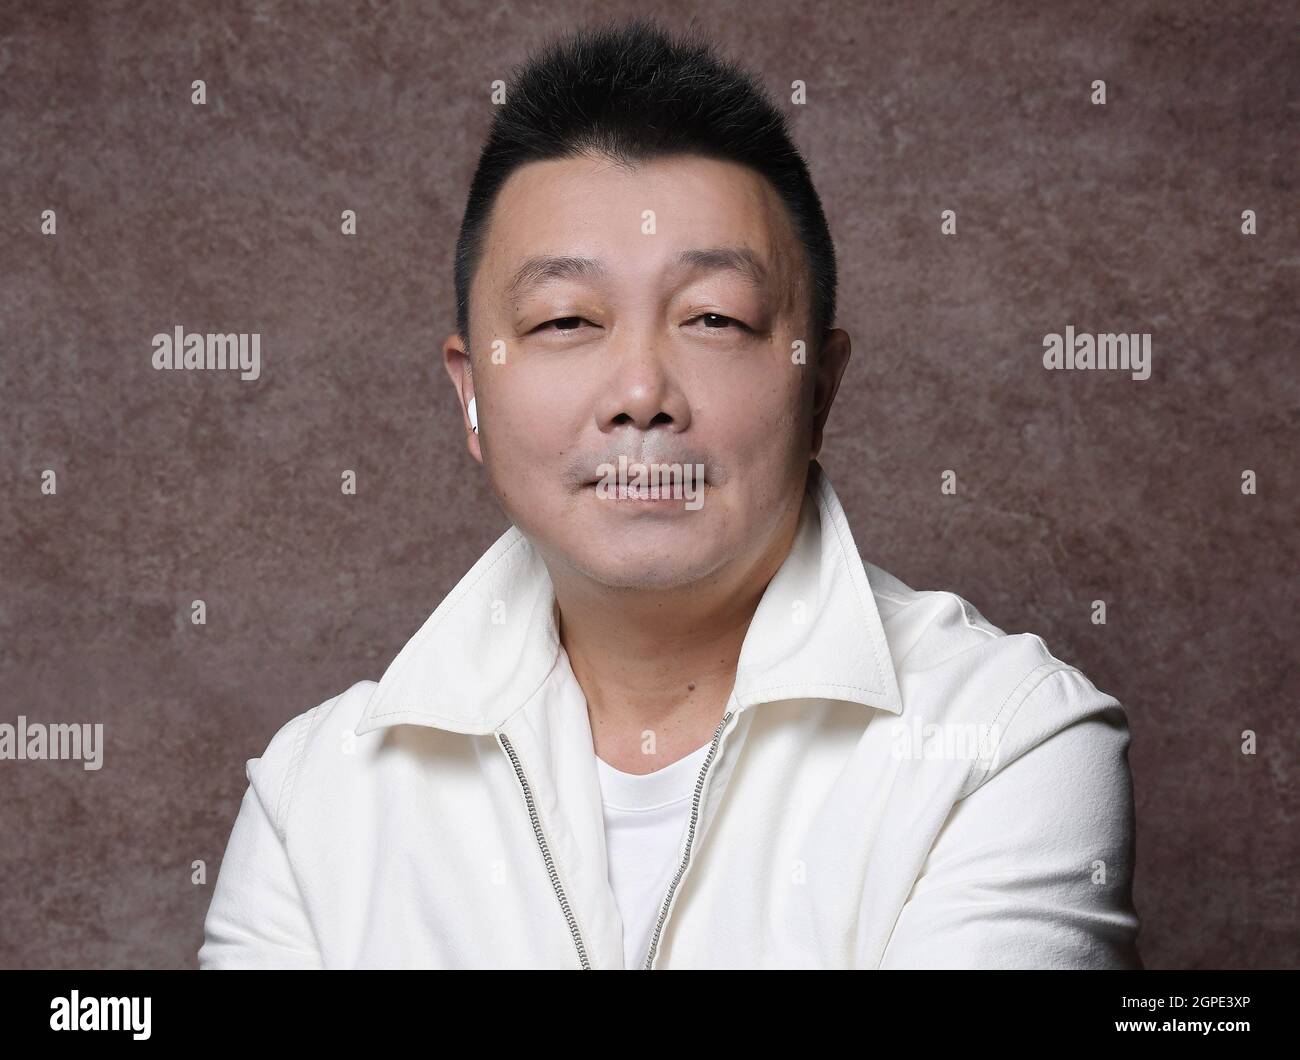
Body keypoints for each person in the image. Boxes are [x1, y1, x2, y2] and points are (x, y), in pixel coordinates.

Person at [198, 16, 1141, 970]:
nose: (642, 394)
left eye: (715, 318)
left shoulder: (1007, 742)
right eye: (566, 319)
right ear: (471, 393)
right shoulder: (314, 798)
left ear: (820, 388)